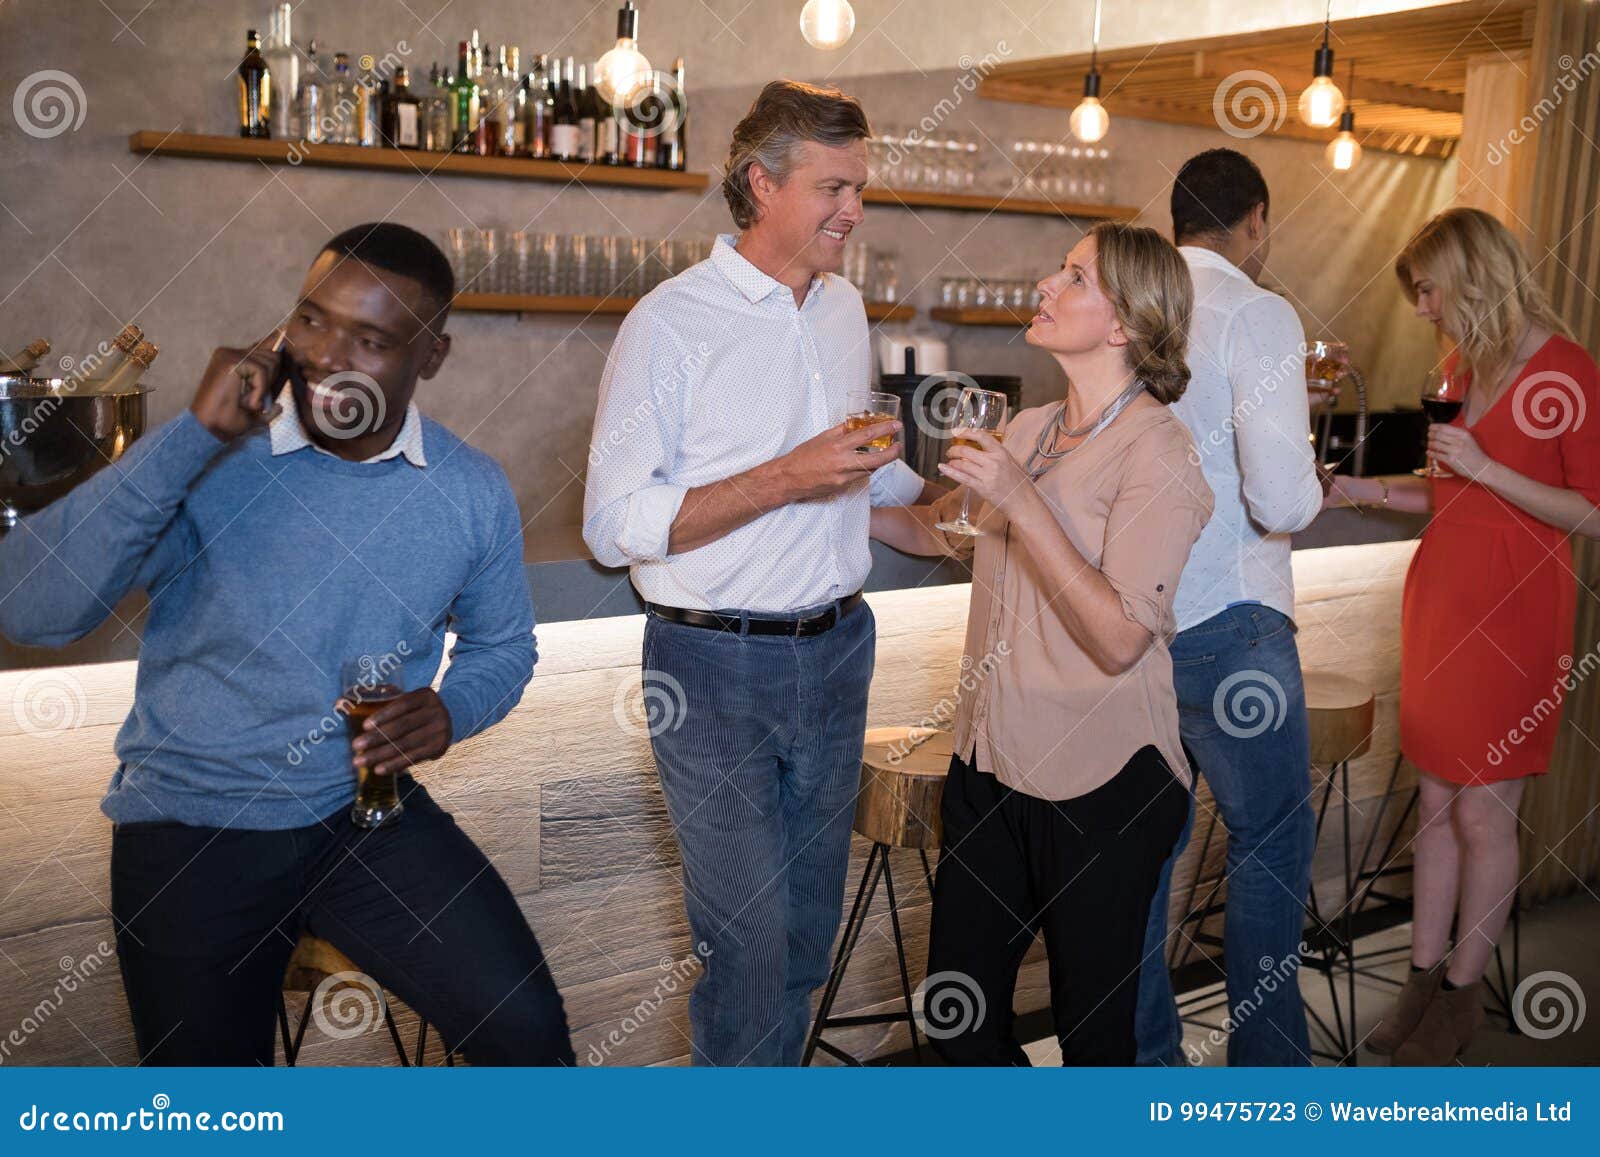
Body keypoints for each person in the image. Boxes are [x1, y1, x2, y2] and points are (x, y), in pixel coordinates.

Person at [0, 224, 574, 1067]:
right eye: (311, 321)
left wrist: (451, 709)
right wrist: (193, 435)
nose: (326, 357)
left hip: (364, 816)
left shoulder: (469, 489)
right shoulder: (216, 460)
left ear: (433, 355)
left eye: (371, 340)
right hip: (194, 823)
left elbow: (504, 646)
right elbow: (31, 605)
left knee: (525, 1032)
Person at [581, 80, 932, 1066]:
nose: (853, 211)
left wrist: (938, 509)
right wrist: (787, 476)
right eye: (832, 188)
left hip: (837, 651)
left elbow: (856, 465)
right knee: (746, 945)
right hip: (712, 672)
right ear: (759, 182)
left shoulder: (844, 306)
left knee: (806, 937)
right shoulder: (670, 322)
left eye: (859, 188)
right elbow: (612, 527)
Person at [872, 222, 1213, 1065]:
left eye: (1074, 278)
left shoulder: (1162, 454)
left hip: (1106, 780)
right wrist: (826, 496)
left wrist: (1024, 502)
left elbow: (1120, 637)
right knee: (957, 1019)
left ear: (1125, 324)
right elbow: (948, 531)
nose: (1046, 286)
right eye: (1057, 271)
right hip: (991, 762)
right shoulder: (1027, 427)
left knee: (1093, 1039)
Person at [1327, 207, 1600, 1064]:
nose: (1421, 307)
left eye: (1428, 288)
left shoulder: (1568, 371)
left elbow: (1592, 511)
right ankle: (1419, 979)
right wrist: (1357, 492)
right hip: (1442, 599)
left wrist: (1488, 466)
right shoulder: (1458, 365)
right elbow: (1449, 492)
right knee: (1437, 808)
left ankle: (1460, 997)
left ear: (1473, 276)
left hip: (1517, 611)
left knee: (1485, 813)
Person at [1134, 148, 1324, 1067]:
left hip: (1135, 628)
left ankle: (1148, 1079)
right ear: (1253, 221)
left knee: (1142, 864)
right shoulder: (1259, 312)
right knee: (1272, 844)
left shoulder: (1131, 305)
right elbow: (1281, 500)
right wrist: (1319, 482)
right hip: (1236, 626)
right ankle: (1268, 1088)